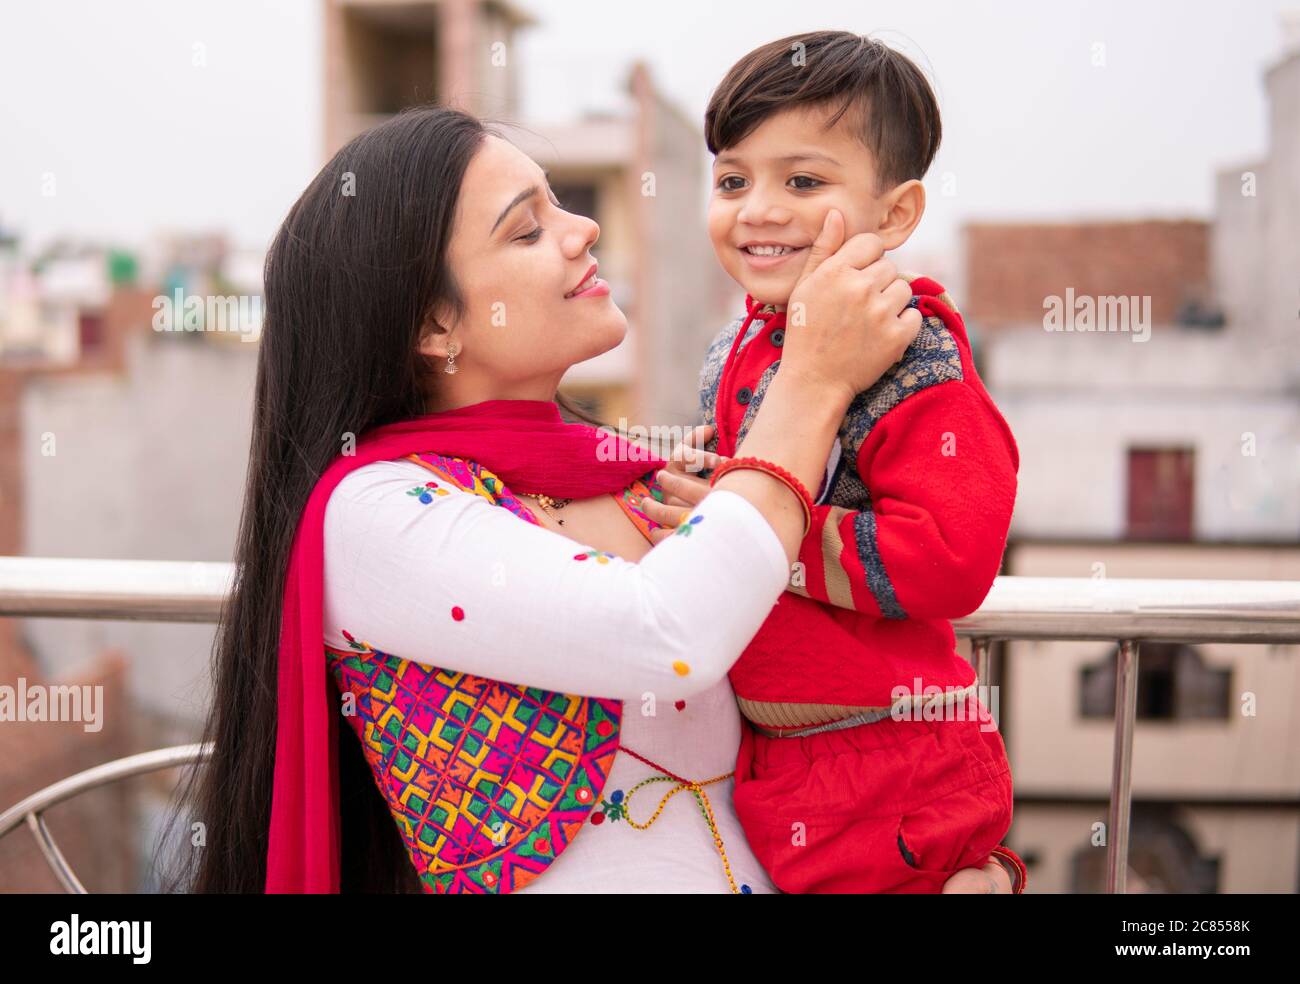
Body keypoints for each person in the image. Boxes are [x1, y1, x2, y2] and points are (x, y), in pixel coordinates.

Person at [175, 105, 1017, 894]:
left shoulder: (646, 484)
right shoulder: (376, 512)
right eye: (528, 229)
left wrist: (962, 862)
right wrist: (815, 378)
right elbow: (671, 634)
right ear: (435, 325)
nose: (584, 229)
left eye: (561, 205)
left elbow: (858, 687)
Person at [636, 31, 1026, 893]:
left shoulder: (916, 359)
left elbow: (952, 559)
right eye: (733, 181)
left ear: (897, 214)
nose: (758, 209)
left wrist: (765, 536)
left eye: (803, 182)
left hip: (892, 753)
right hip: (777, 751)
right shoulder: (734, 350)